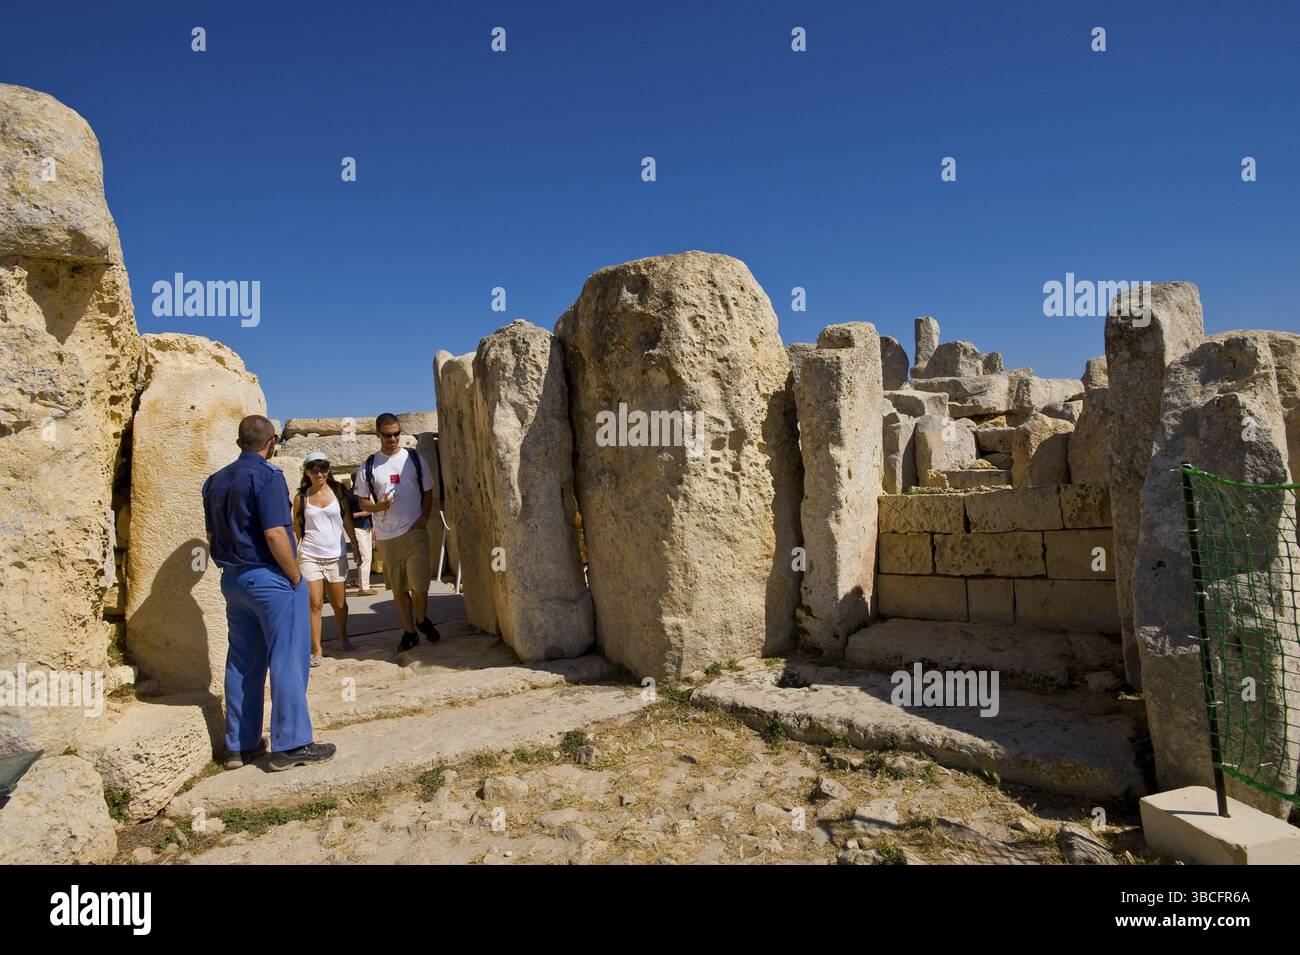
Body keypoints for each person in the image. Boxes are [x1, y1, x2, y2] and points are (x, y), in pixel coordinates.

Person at [201, 415, 336, 772]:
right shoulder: (268, 476)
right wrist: (295, 577)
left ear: (238, 442)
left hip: (233, 579)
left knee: (243, 661)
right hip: (271, 579)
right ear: (272, 442)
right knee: (288, 658)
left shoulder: (214, 482)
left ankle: (239, 746)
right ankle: (290, 744)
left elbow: (212, 538)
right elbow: (276, 533)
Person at [354, 413, 441, 652]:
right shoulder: (369, 465)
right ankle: (410, 631)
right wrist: (377, 507)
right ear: (378, 435)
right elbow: (362, 501)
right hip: (387, 535)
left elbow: (428, 492)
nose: (392, 439)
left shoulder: (414, 458)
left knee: (420, 584)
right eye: (387, 435)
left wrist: (423, 519)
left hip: (414, 530)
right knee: (399, 588)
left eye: (396, 434)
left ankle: (422, 619)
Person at [293, 451, 361, 665]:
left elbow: (347, 520)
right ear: (306, 471)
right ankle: (316, 649)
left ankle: (343, 636)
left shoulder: (339, 493)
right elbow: (297, 526)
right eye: (313, 468)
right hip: (310, 555)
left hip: (336, 555)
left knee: (339, 604)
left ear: (328, 469)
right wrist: (296, 552)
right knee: (314, 603)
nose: (319, 472)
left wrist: (356, 547)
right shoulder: (301, 498)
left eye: (323, 467)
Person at [347, 480, 377, 596]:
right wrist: (363, 513)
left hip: (366, 527)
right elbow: (347, 515)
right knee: (365, 558)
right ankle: (364, 587)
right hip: (358, 528)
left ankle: (363, 584)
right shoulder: (351, 495)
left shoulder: (364, 494)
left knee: (366, 557)